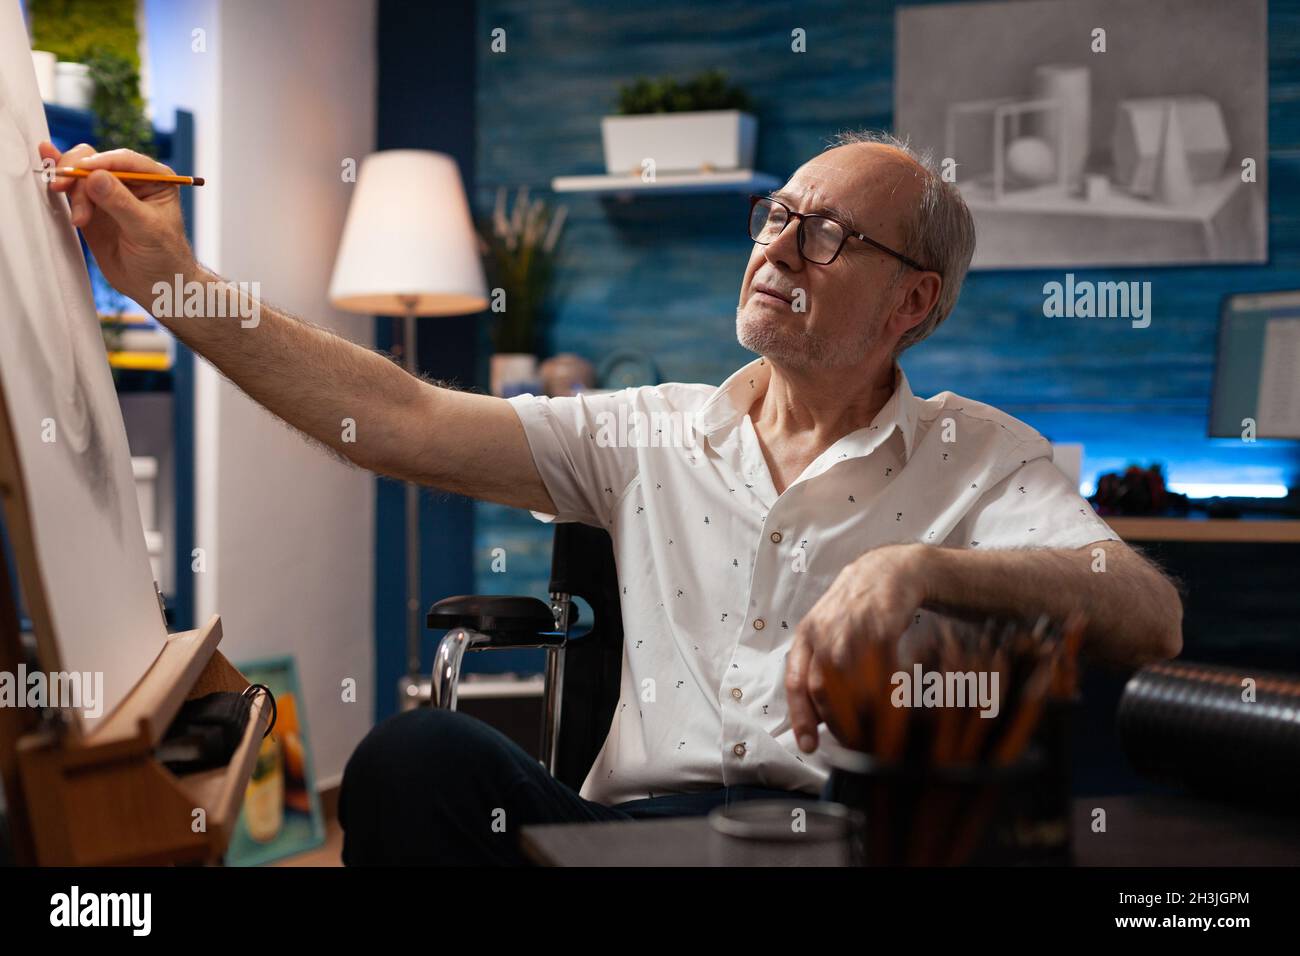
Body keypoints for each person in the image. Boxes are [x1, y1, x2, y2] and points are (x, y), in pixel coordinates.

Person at [41, 130, 1182, 865]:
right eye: (776, 214)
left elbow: (1141, 607)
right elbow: (396, 418)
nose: (779, 245)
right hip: (628, 840)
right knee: (412, 760)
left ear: (912, 302)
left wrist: (916, 567)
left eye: (827, 231)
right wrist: (167, 281)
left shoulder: (979, 453)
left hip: (844, 841)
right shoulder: (650, 430)